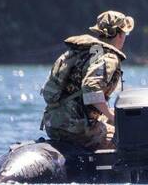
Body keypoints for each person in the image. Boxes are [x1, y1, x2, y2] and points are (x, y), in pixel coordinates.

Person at [39, 11, 134, 150]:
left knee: (110, 115)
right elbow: (91, 89)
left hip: (53, 124)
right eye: (126, 33)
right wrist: (111, 117)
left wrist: (109, 114)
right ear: (120, 35)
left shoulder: (82, 51)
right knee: (129, 136)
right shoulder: (109, 57)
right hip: (77, 128)